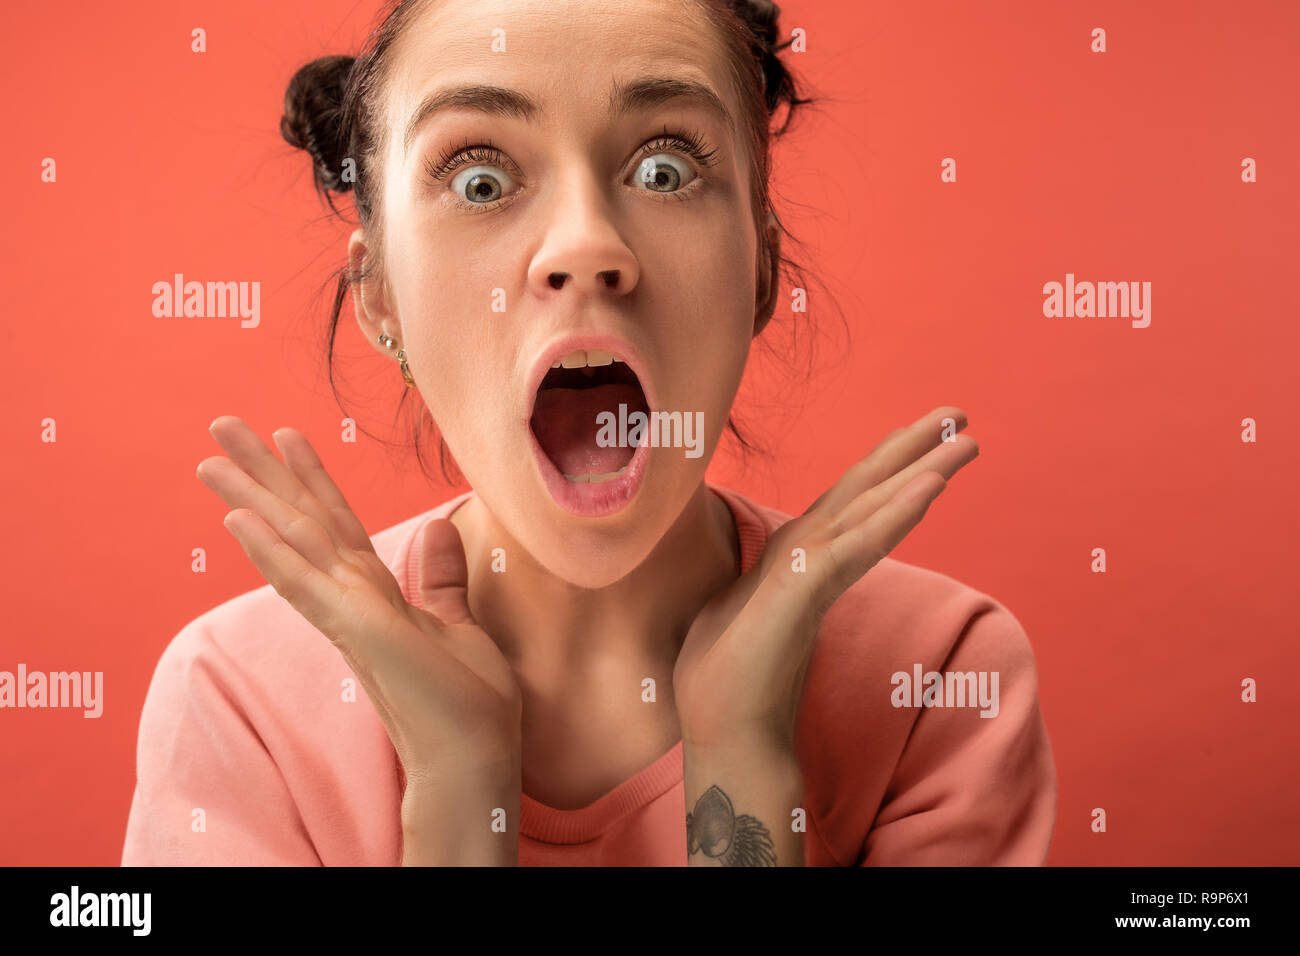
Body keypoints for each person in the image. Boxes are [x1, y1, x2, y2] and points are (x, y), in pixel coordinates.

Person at [122, 0, 1056, 866]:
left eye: (664, 169)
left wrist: (740, 756)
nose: (586, 248)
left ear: (762, 268)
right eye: (480, 178)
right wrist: (457, 794)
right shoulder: (242, 699)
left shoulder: (936, 675)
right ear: (380, 296)